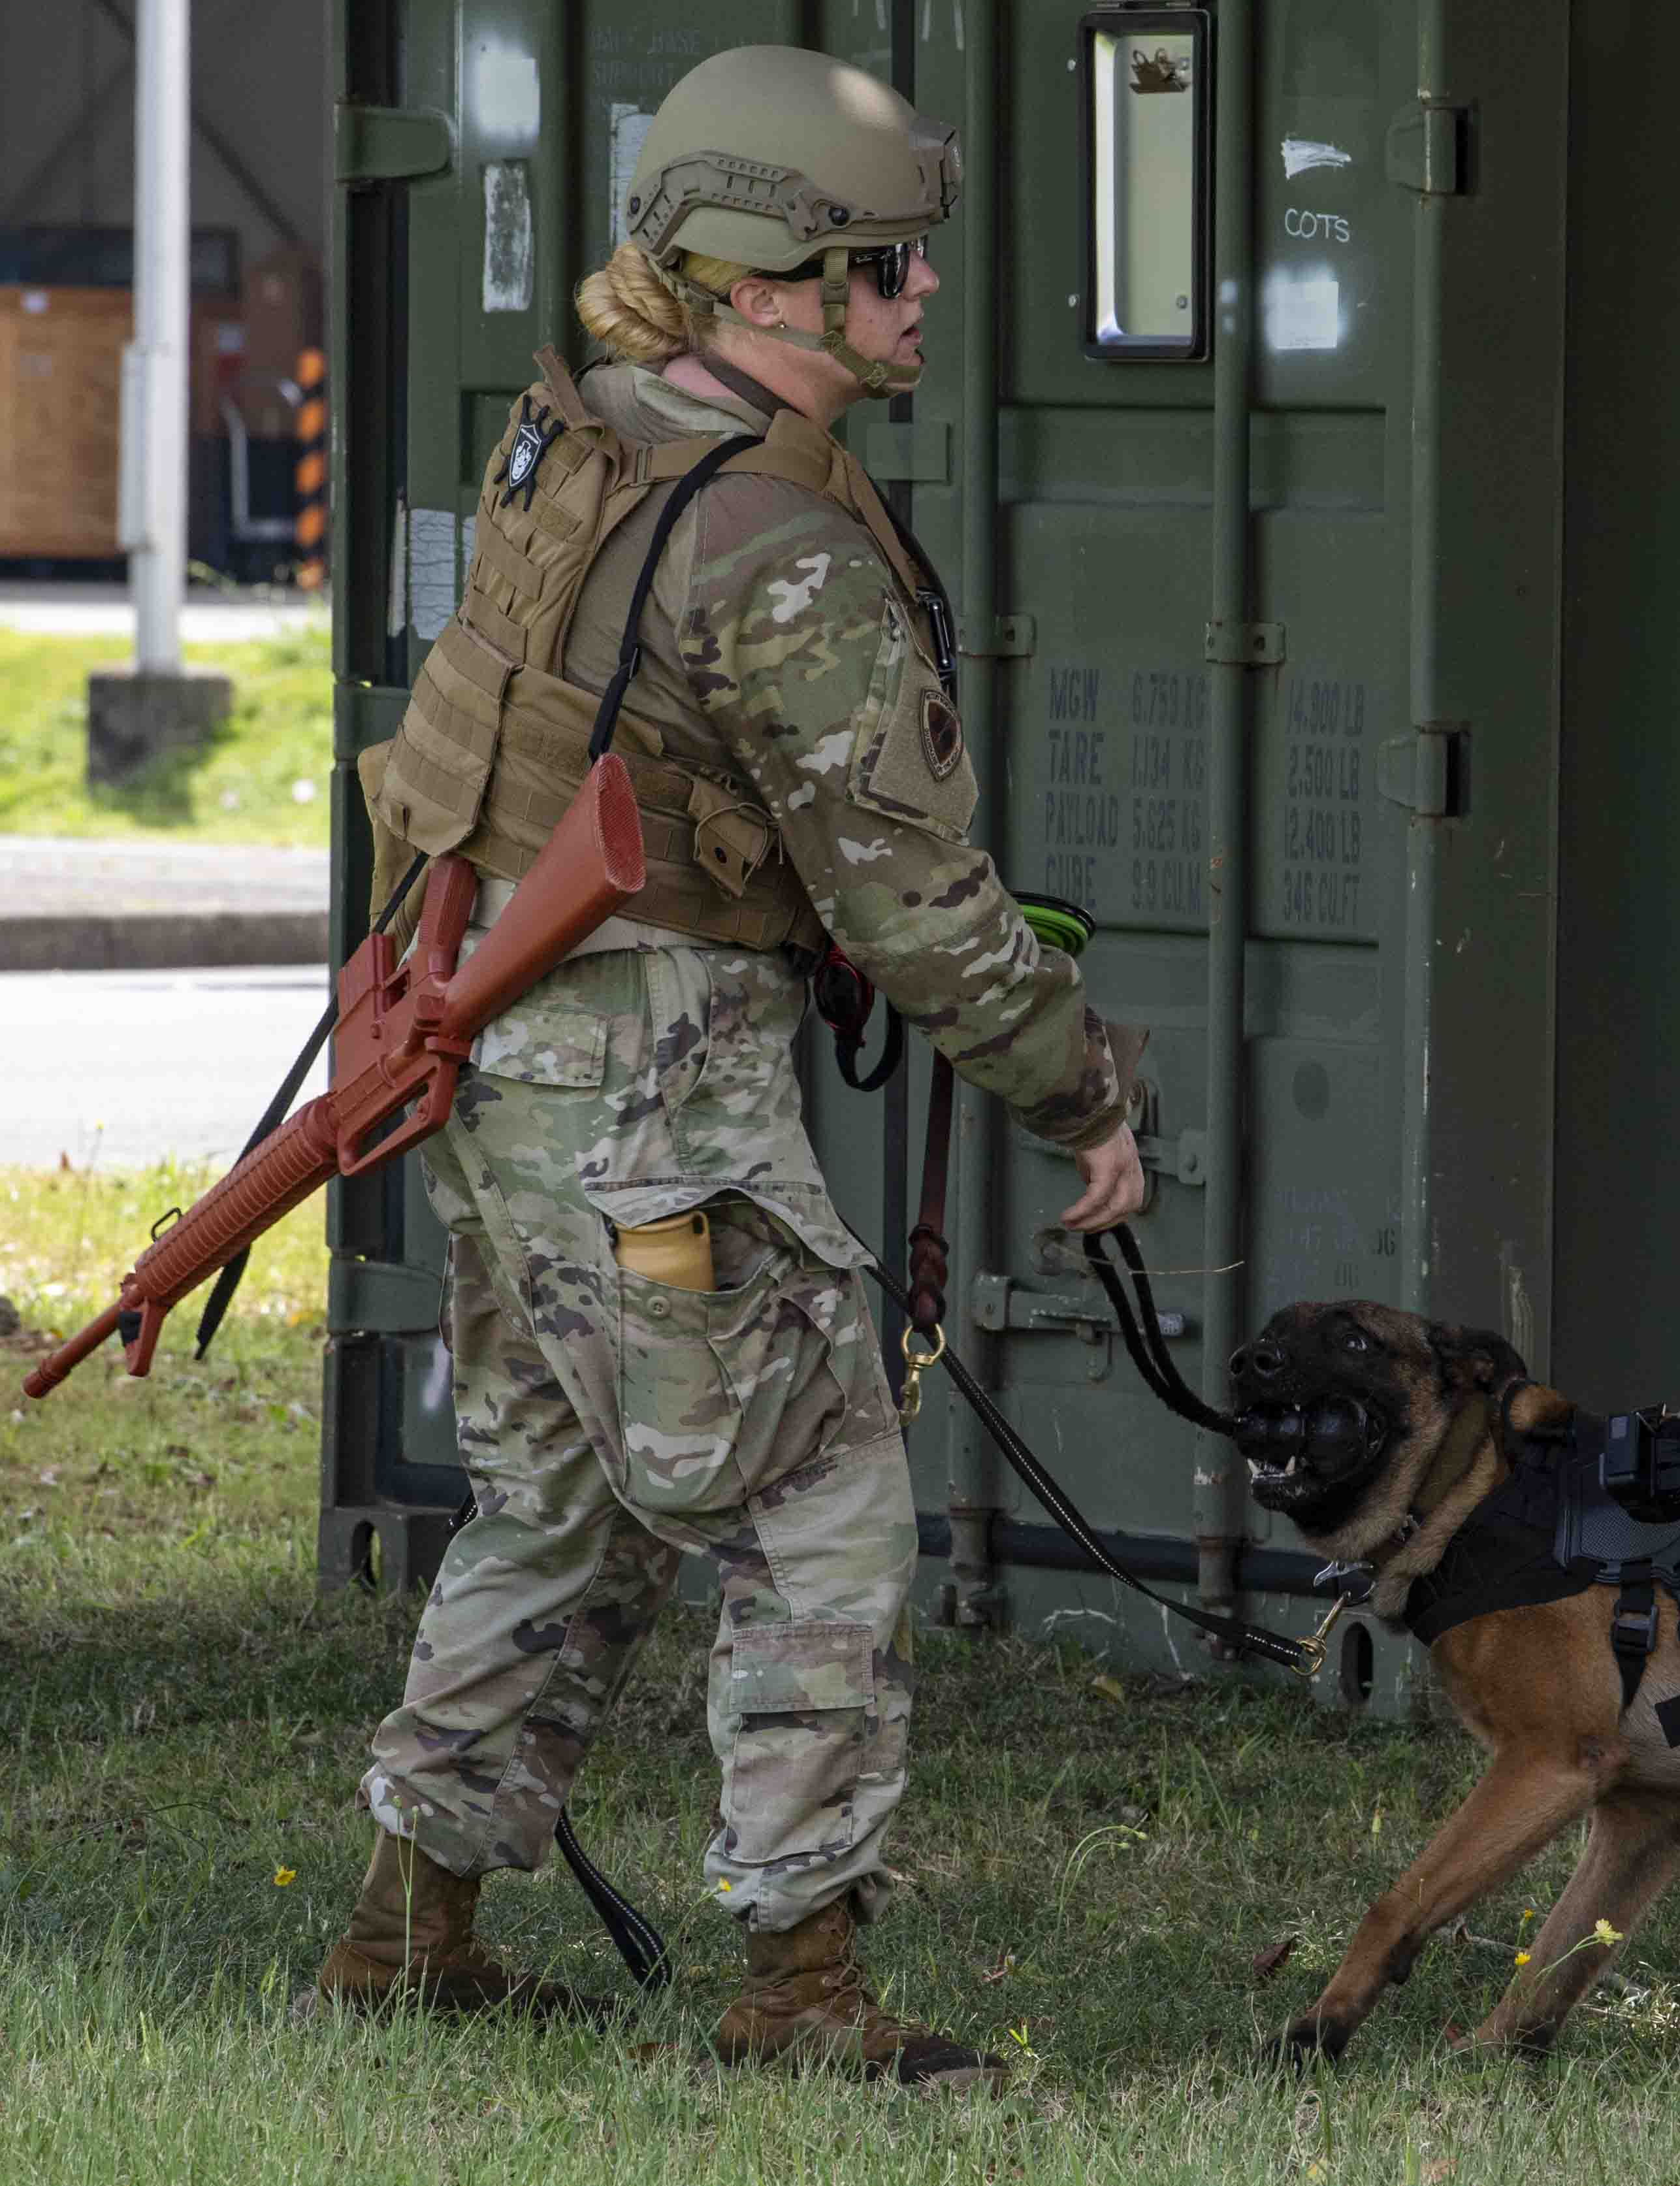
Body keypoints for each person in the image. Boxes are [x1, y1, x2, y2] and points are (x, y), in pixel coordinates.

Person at [310, 44, 1143, 2090]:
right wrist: (1081, 1098)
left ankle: (406, 1937)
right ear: (770, 284)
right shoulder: (776, 543)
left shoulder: (585, 426)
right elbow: (915, 901)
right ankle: (798, 1994)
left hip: (490, 1054)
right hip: (647, 1096)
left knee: (564, 1497)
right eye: (885, 267)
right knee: (814, 1504)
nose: (922, 297)